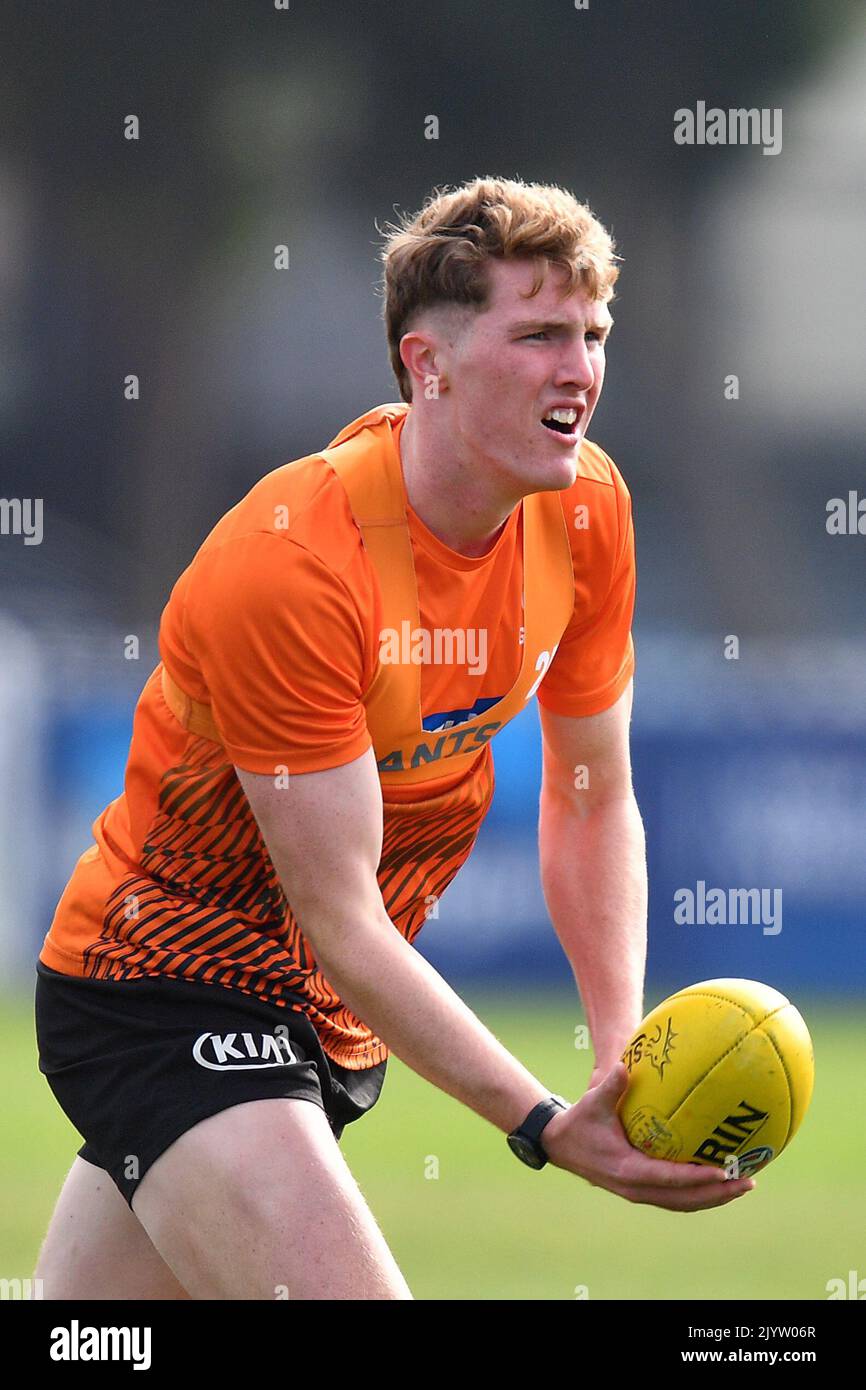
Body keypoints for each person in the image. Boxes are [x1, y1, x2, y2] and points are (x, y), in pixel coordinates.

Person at [33, 175, 755, 1303]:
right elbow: (343, 918)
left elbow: (589, 795)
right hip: (163, 990)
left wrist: (622, 1058)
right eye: (538, 335)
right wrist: (540, 1122)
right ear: (428, 364)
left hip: (322, 1016)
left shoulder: (585, 510)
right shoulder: (296, 565)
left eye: (593, 335)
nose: (579, 369)